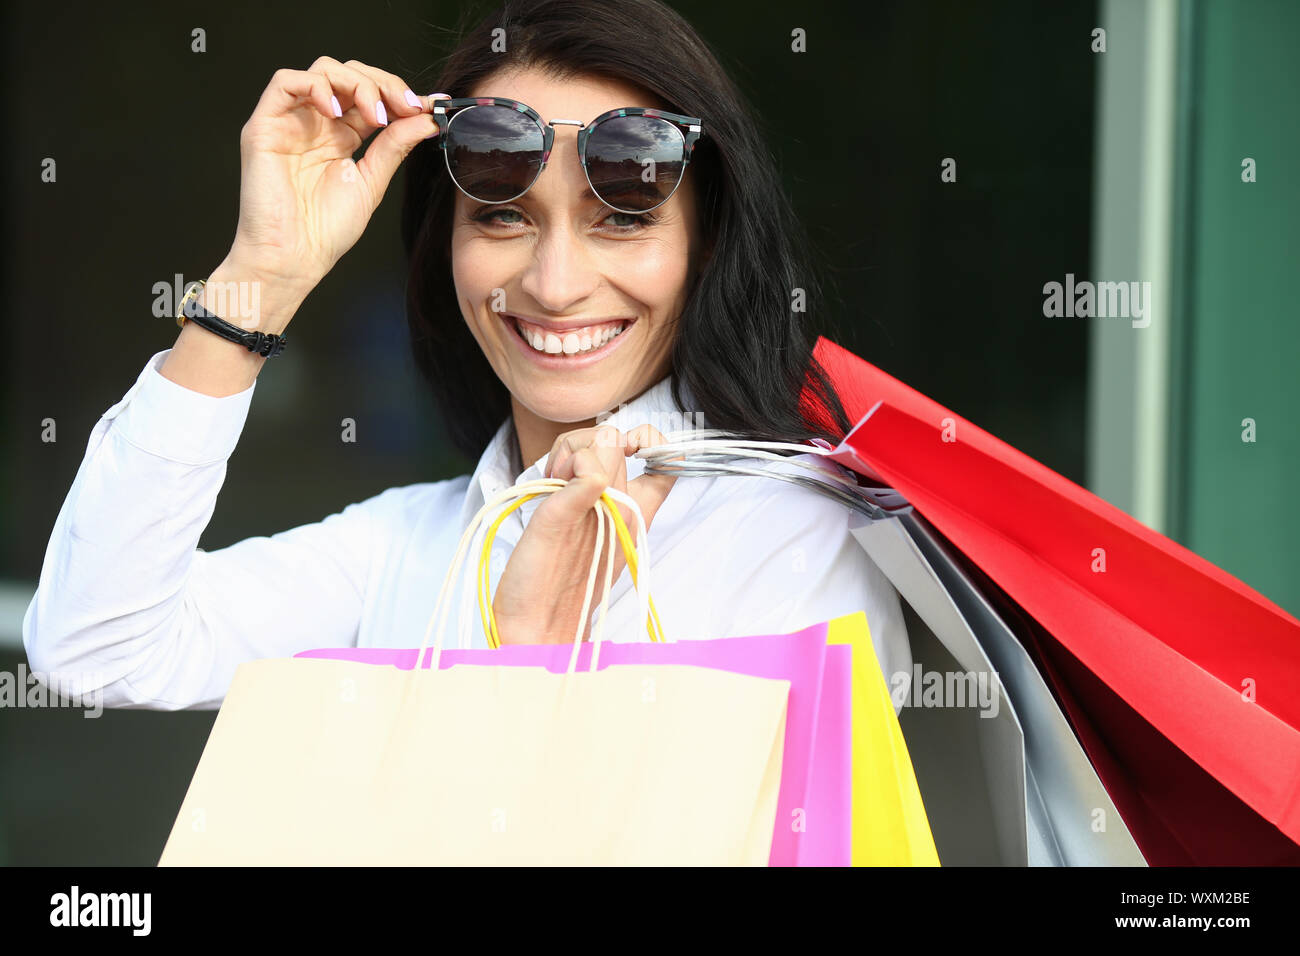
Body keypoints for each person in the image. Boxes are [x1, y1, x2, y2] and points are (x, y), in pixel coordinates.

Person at [23, 0, 910, 710]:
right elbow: (94, 648)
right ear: (444, 241)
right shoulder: (407, 547)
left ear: (705, 243)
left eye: (625, 219)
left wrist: (526, 667)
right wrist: (262, 274)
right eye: (504, 216)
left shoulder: (800, 538)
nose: (556, 285)